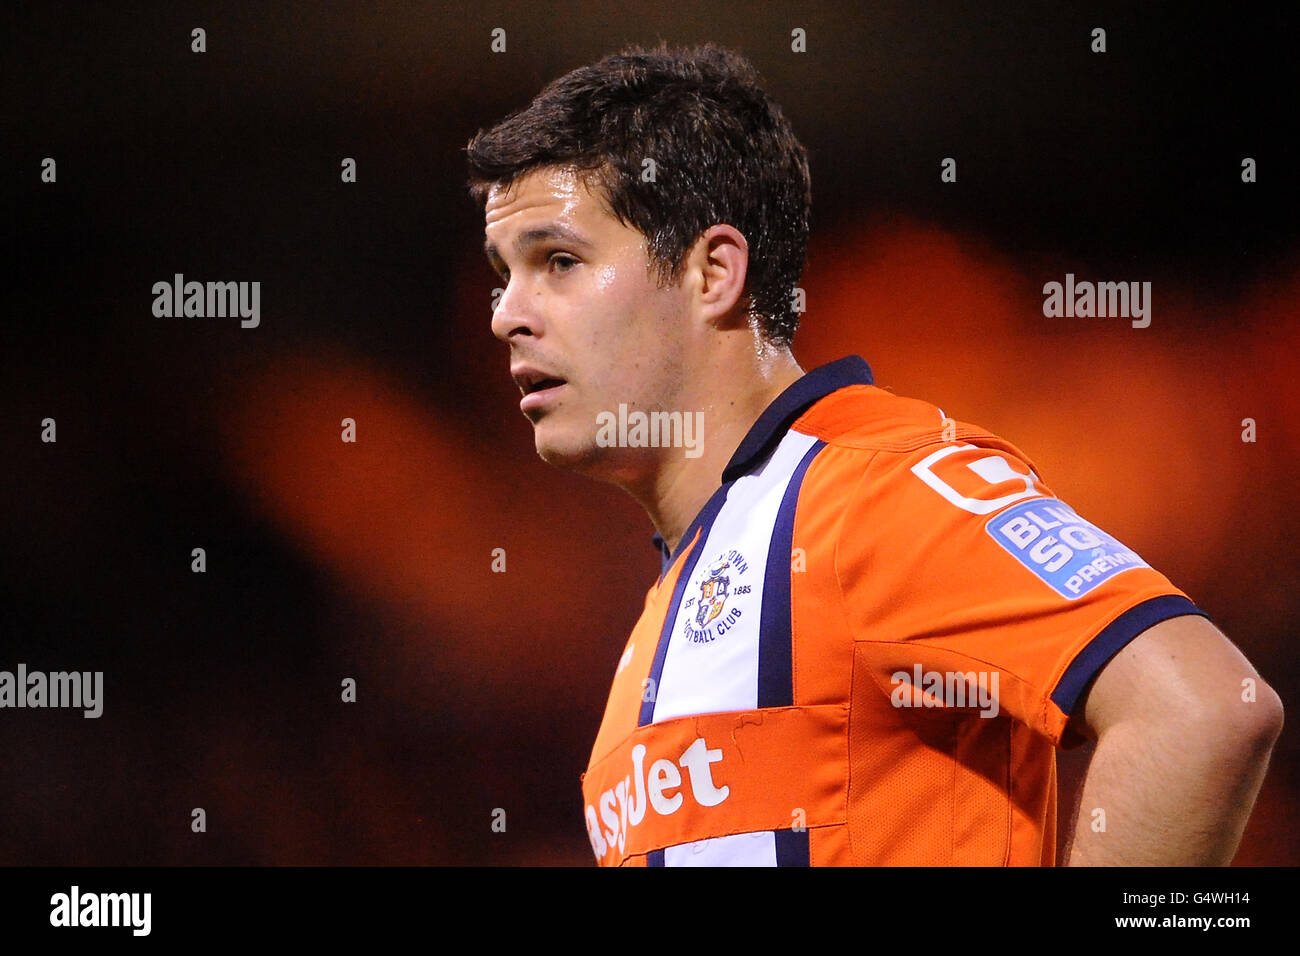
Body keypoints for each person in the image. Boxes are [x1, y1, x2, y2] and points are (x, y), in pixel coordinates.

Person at [464, 42, 1282, 866]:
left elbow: (1208, 709)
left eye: (559, 262)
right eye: (504, 274)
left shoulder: (870, 490)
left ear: (714, 273)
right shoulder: (668, 613)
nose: (507, 314)